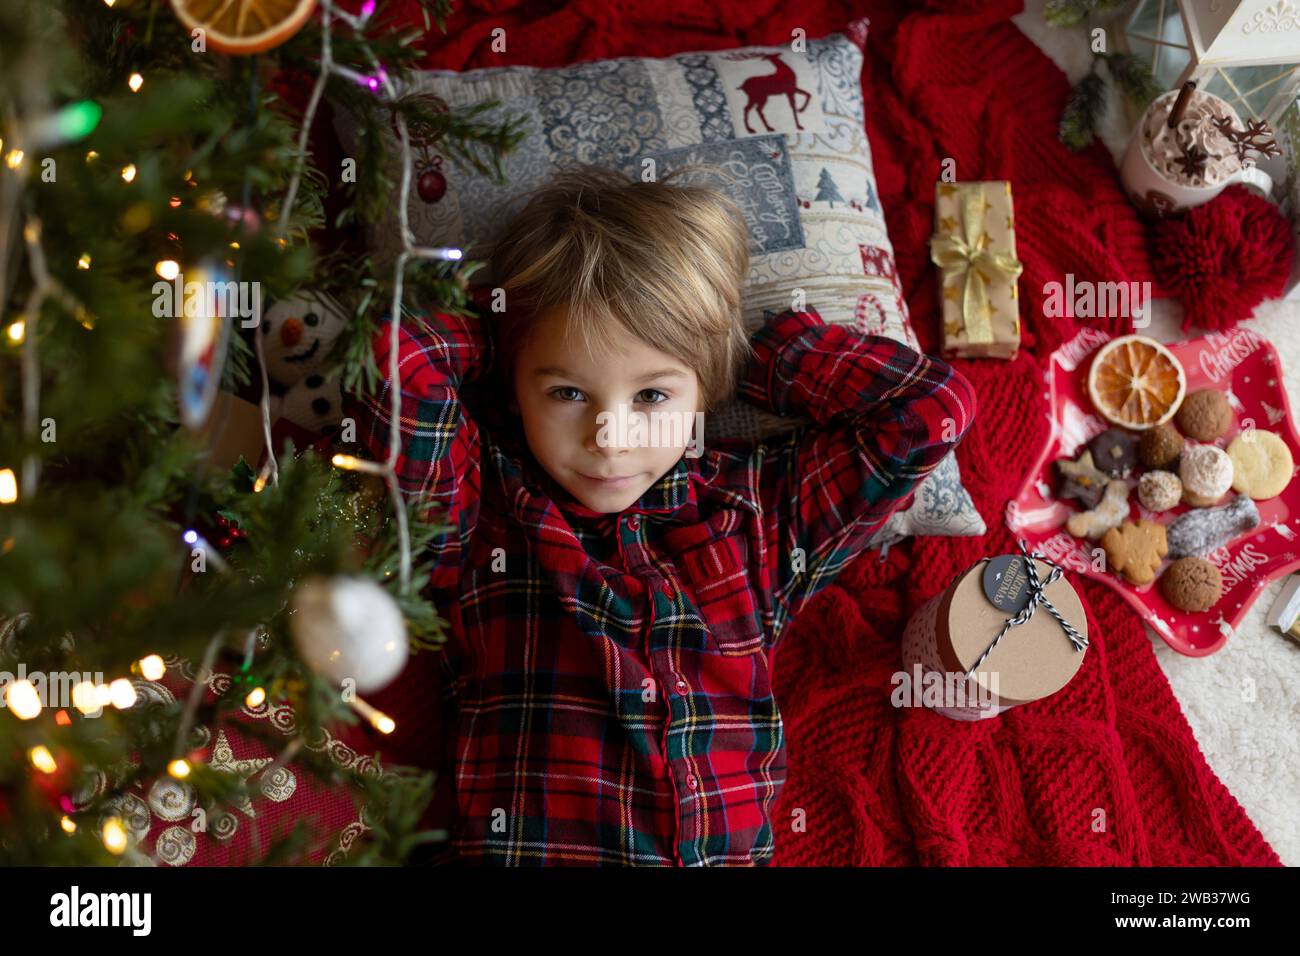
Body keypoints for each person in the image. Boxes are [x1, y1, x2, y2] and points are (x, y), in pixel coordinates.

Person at [343, 163, 977, 865]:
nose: (609, 438)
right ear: (516, 387)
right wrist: (504, 336)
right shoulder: (487, 506)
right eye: (566, 394)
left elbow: (928, 411)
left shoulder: (755, 513)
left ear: (702, 391)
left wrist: (757, 358)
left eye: (651, 397)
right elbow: (401, 363)